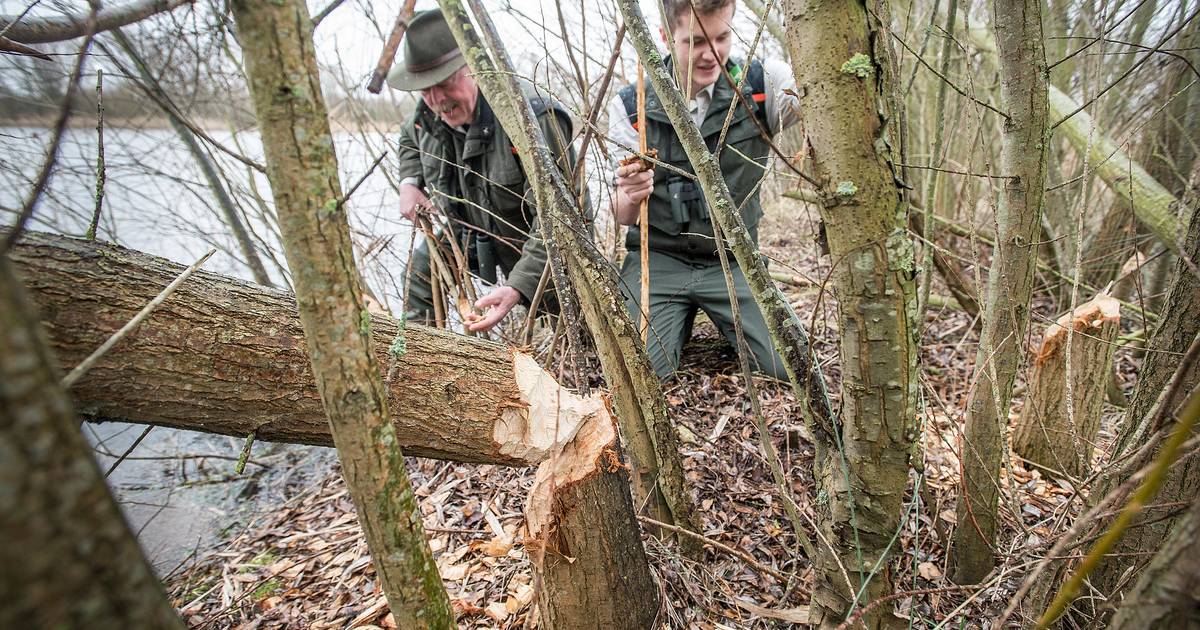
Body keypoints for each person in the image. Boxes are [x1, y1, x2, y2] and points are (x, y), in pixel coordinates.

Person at [608, 0, 800, 379]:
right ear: (665, 36)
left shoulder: (762, 86)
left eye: (722, 37)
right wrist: (630, 195)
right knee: (642, 375)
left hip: (733, 258)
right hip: (659, 261)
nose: (711, 53)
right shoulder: (632, 105)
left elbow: (824, 94)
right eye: (695, 41)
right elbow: (620, 214)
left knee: (787, 367)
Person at [389, 10, 576, 332]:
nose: (437, 101)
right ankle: (419, 357)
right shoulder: (426, 118)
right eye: (424, 90)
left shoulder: (532, 118)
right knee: (420, 271)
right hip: (471, 236)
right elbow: (409, 136)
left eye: (444, 84)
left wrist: (518, 286)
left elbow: (561, 221)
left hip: (537, 243)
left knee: (566, 320)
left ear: (474, 68)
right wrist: (409, 182)